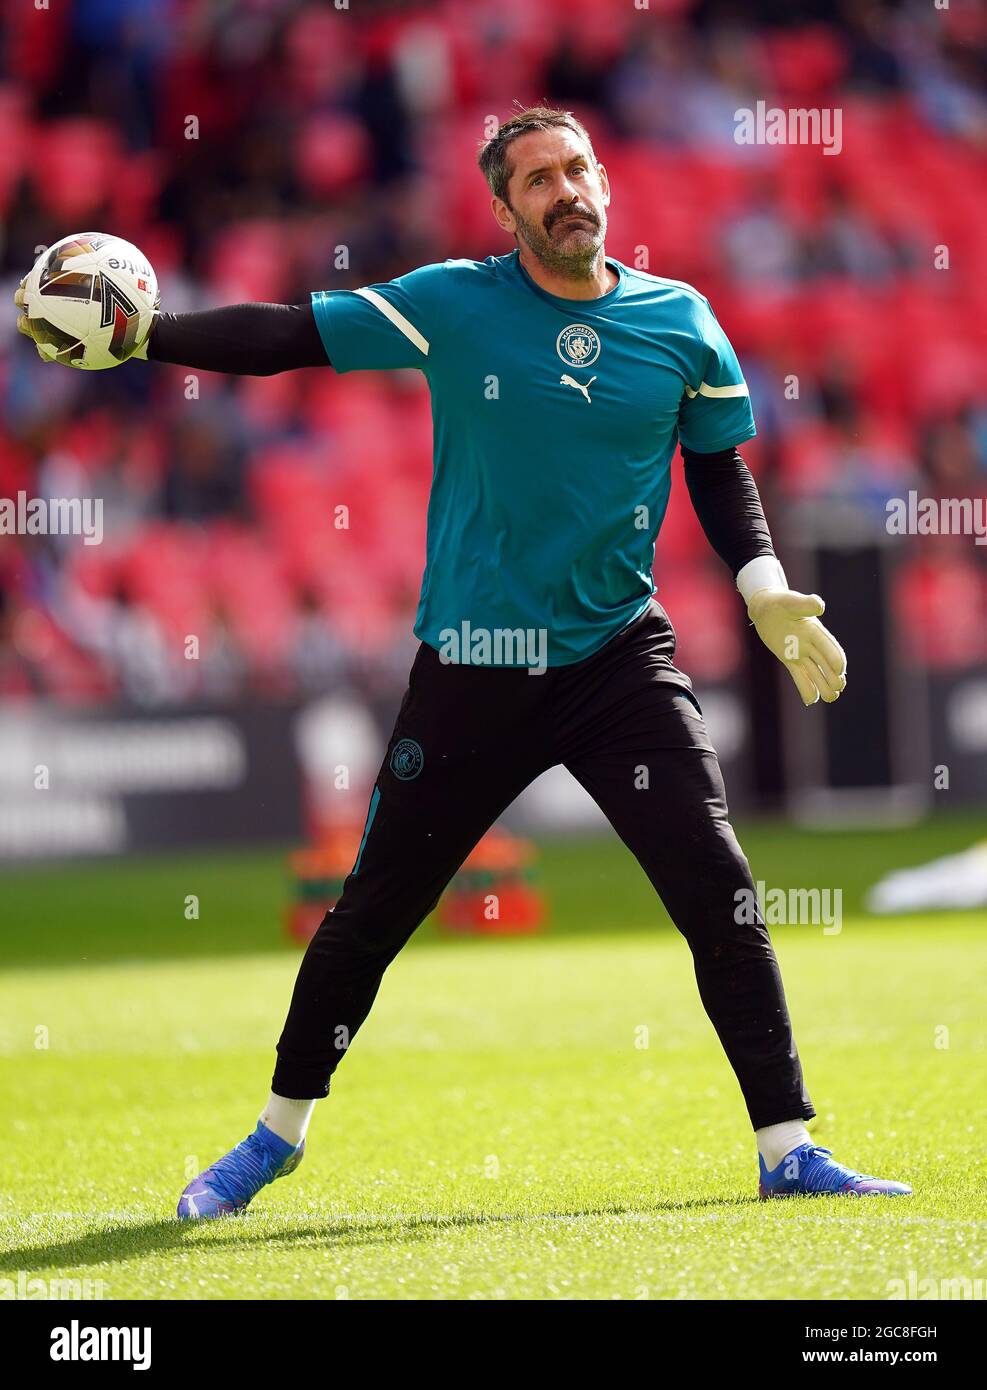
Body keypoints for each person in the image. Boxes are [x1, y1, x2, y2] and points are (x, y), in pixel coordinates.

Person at [16, 105, 911, 1214]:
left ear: (604, 183)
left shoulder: (683, 321)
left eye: (577, 168)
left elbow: (720, 474)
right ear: (505, 208)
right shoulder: (454, 304)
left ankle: (787, 1149)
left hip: (620, 659)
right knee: (371, 914)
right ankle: (274, 1136)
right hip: (476, 663)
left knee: (720, 889)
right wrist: (152, 335)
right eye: (538, 180)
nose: (566, 189)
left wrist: (766, 589)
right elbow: (290, 335)